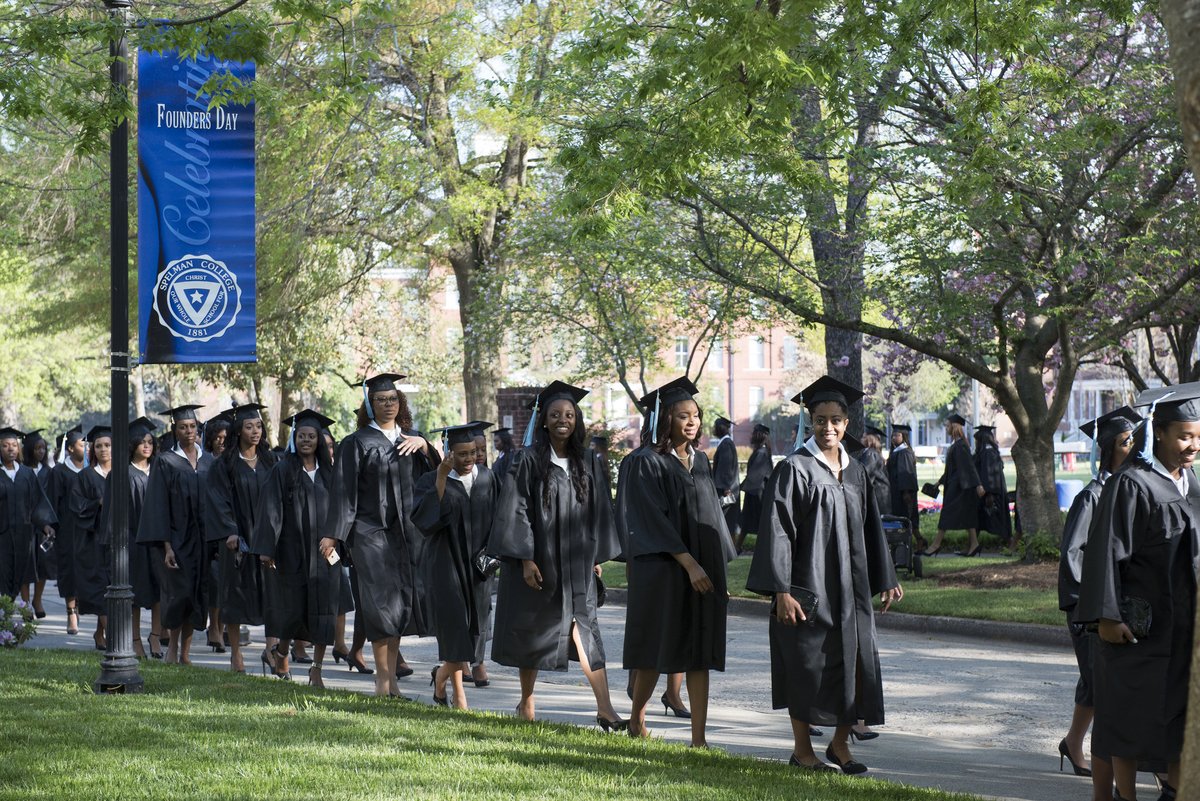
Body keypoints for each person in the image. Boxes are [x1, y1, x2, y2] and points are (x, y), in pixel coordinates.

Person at [747, 376, 902, 773]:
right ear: (809, 421)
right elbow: (777, 532)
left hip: (851, 590)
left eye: (835, 419)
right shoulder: (795, 469)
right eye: (820, 419)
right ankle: (803, 751)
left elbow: (871, 528)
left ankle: (840, 746)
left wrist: (886, 578)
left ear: (847, 423)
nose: (828, 427)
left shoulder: (856, 471)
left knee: (855, 664)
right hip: (808, 588)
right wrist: (781, 590)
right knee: (806, 668)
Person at [1077, 384, 1200, 801]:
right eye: (1184, 435)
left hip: (1184, 630)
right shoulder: (1132, 484)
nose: (1192, 446)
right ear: (1159, 432)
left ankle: (1176, 792)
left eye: (1198, 437)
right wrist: (1107, 617)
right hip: (1139, 628)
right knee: (1128, 720)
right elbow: (1105, 554)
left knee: (1181, 719)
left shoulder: (1192, 485)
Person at [489, 381, 624, 728]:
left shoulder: (588, 461)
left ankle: (605, 708)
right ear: (544, 421)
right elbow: (515, 509)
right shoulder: (527, 460)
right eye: (555, 415)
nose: (563, 420)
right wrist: (525, 558)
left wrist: (596, 555)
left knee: (586, 628)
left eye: (569, 414)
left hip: (577, 561)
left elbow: (598, 509)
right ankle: (527, 702)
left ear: (576, 420)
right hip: (541, 561)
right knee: (535, 629)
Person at [618, 376, 735, 746]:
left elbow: (712, 515)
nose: (691, 422)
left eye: (696, 415)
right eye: (682, 415)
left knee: (700, 649)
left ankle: (698, 739)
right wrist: (689, 564)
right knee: (657, 647)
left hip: (702, 567)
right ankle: (637, 719)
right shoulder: (644, 462)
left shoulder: (700, 460)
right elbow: (652, 519)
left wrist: (716, 568)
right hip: (664, 569)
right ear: (664, 418)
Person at [320, 373, 433, 697]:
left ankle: (392, 682)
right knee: (380, 607)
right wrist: (333, 535)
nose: (388, 405)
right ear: (369, 404)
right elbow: (343, 494)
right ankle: (383, 682)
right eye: (381, 400)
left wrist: (425, 447)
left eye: (393, 399)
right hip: (369, 535)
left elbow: (437, 479)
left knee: (399, 607)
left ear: (401, 403)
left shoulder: (412, 439)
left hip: (406, 535)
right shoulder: (355, 443)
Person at [1057, 406, 1139, 797]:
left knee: (1095, 681)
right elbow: (1072, 554)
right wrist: (1087, 608)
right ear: (1108, 450)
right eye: (1126, 442)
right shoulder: (1092, 496)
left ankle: (1072, 743)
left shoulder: (1130, 490)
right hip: (1090, 609)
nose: (1134, 447)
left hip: (1117, 606)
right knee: (1103, 686)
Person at [412, 422, 500, 709]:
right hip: (445, 562)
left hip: (479, 566)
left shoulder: (487, 478)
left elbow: (499, 519)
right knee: (454, 629)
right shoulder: (430, 479)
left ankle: (441, 676)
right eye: (461, 454)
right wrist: (441, 474)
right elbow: (425, 520)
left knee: (477, 631)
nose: (468, 459)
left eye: (473, 452)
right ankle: (460, 695)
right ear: (449, 453)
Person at [252, 409, 341, 687]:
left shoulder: (330, 473)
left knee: (325, 610)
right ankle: (281, 652)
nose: (306, 441)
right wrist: (267, 548)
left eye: (311, 436)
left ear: (319, 439)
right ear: (294, 438)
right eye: (301, 436)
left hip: (325, 554)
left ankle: (316, 669)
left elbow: (343, 508)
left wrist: (334, 536)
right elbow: (271, 509)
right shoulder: (283, 470)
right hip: (292, 552)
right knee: (291, 608)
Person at [136, 405, 214, 664]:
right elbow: (158, 505)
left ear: (197, 428)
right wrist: (167, 546)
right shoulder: (165, 461)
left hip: (203, 541)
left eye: (192, 426)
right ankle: (171, 649)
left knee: (196, 595)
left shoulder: (208, 461)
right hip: (177, 540)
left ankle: (185, 653)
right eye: (183, 427)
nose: (188, 431)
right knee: (178, 594)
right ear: (175, 430)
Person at [207, 404, 275, 674]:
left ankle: (271, 649)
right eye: (249, 427)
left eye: (258, 426)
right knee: (234, 595)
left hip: (266, 538)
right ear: (238, 431)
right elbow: (217, 500)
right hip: (238, 540)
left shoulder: (271, 461)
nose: (255, 431)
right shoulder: (225, 464)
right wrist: (230, 530)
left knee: (272, 593)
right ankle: (236, 653)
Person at [100, 417, 163, 659]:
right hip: (133, 542)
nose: (147, 446)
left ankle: (155, 637)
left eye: (150, 442)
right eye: (141, 442)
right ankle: (135, 640)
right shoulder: (120, 474)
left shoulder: (161, 470)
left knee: (160, 593)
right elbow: (112, 513)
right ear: (132, 445)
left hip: (157, 541)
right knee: (134, 596)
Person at [69, 425, 114, 651]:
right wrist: (97, 503)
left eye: (108, 445)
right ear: (93, 450)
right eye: (99, 446)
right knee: (99, 588)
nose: (103, 450)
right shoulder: (85, 476)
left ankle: (100, 632)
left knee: (112, 589)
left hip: (118, 542)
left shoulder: (122, 474)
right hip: (93, 541)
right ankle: (115, 639)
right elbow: (76, 507)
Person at [0, 428, 56, 602]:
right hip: (2, 536)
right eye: (5, 446)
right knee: (3, 576)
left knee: (21, 574)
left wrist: (46, 524)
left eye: (14, 445)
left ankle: (9, 618)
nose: (10, 449)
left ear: (19, 449)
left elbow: (36, 503)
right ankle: (5, 618)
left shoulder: (26, 474)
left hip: (24, 536)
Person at [922, 414, 986, 557]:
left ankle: (936, 544)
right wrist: (938, 482)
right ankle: (974, 544)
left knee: (946, 515)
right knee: (967, 516)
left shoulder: (961, 446)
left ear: (954, 426)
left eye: (947, 425)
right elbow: (951, 469)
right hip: (956, 485)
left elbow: (970, 467)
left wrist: (978, 485)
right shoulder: (956, 444)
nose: (946, 428)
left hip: (960, 488)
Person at [51, 424, 87, 635]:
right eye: (82, 443)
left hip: (89, 528)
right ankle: (71, 611)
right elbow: (53, 502)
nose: (87, 447)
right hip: (67, 529)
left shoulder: (92, 470)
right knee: (69, 570)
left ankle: (82, 606)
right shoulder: (59, 471)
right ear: (71, 448)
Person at [202, 411, 232, 652]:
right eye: (218, 437)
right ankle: (214, 626)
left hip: (227, 527)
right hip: (205, 527)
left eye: (226, 437)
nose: (222, 441)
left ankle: (221, 628)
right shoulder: (203, 462)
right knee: (213, 579)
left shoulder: (234, 462)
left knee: (225, 581)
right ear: (210, 439)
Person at [21, 430, 55, 617]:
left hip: (44, 525)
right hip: (25, 525)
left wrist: (48, 522)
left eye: (43, 448)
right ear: (29, 450)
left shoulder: (49, 472)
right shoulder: (21, 471)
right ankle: (26, 604)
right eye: (37, 448)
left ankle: (38, 599)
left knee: (43, 565)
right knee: (26, 566)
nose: (41, 452)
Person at [974, 425, 1012, 548]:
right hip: (990, 491)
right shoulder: (988, 451)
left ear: (982, 439)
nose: (975, 442)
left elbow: (989, 473)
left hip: (992, 492)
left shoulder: (988, 452)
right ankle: (972, 544)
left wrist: (987, 491)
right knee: (979, 520)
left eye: (977, 440)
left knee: (998, 521)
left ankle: (1010, 544)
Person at [738, 423, 773, 554]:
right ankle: (740, 547)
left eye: (754, 433)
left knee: (756, 523)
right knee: (752, 524)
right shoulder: (761, 451)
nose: (752, 436)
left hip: (758, 494)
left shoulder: (762, 453)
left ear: (759, 435)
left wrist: (741, 486)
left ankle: (741, 547)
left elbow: (755, 475)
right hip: (755, 491)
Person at [886, 424, 921, 546]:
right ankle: (915, 542)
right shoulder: (898, 451)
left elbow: (905, 474)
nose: (894, 438)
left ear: (904, 437)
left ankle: (912, 543)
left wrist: (906, 492)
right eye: (893, 435)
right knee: (904, 518)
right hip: (897, 491)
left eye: (897, 435)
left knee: (906, 518)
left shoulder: (904, 452)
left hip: (903, 493)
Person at [711, 416, 741, 550]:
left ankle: (728, 548)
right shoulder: (725, 443)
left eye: (714, 427)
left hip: (726, 490)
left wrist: (726, 488)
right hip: (727, 487)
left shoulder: (726, 444)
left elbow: (726, 467)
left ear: (719, 428)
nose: (713, 429)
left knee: (727, 521)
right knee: (727, 521)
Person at [856, 426, 891, 525]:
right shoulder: (872, 453)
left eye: (863, 437)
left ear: (869, 439)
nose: (861, 439)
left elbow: (864, 473)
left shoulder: (871, 454)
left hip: (878, 495)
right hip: (881, 494)